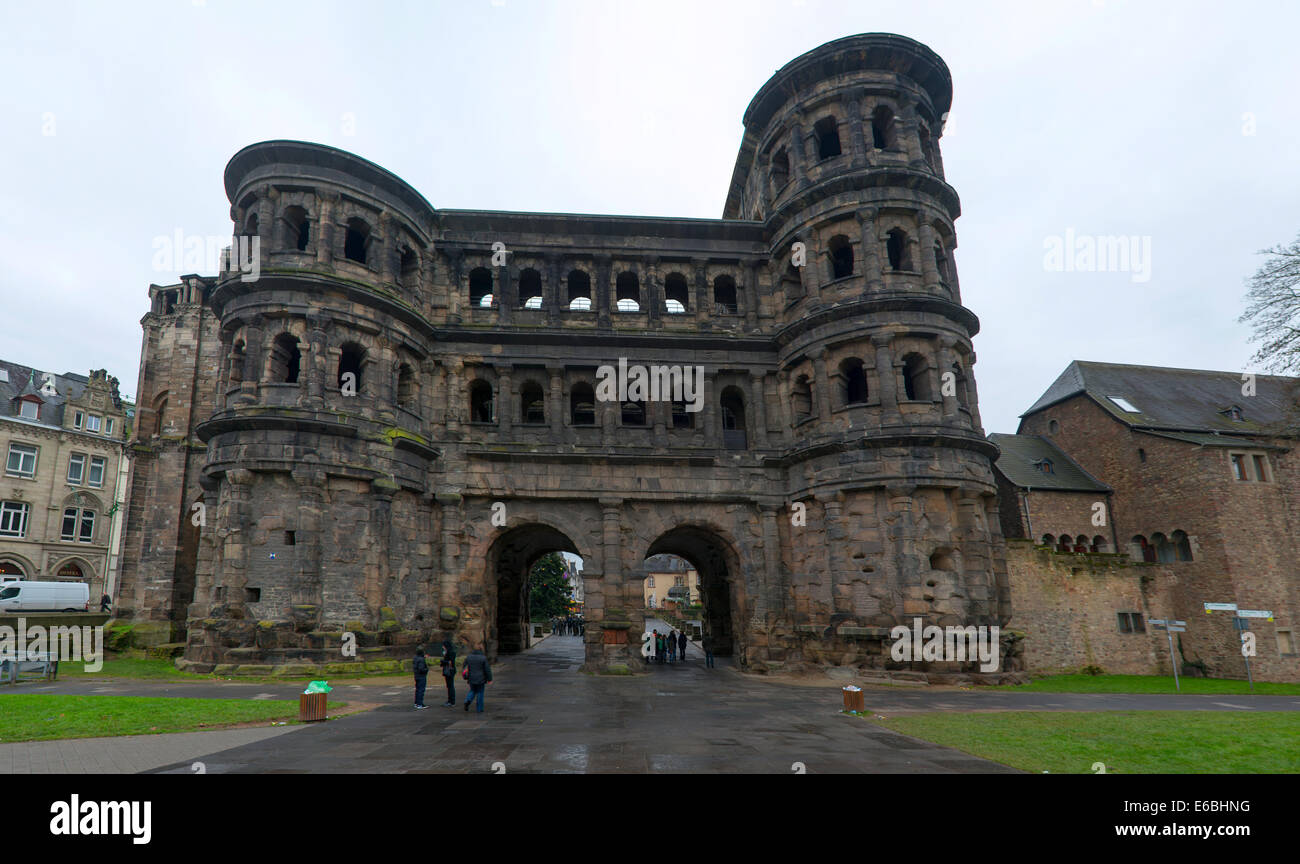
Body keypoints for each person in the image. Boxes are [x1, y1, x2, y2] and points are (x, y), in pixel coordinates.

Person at [462, 643, 492, 713]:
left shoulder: (468, 657)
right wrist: (489, 679)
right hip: (481, 678)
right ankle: (479, 708)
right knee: (480, 692)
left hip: (471, 677)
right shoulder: (483, 658)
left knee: (472, 690)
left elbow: (464, 666)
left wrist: (465, 675)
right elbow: (487, 669)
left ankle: (467, 700)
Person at [440, 638, 457, 707]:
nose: (442, 647)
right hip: (449, 670)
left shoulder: (450, 652)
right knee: (449, 686)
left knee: (450, 686)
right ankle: (450, 700)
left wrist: (443, 662)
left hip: (449, 670)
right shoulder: (448, 652)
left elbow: (451, 662)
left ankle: (451, 701)